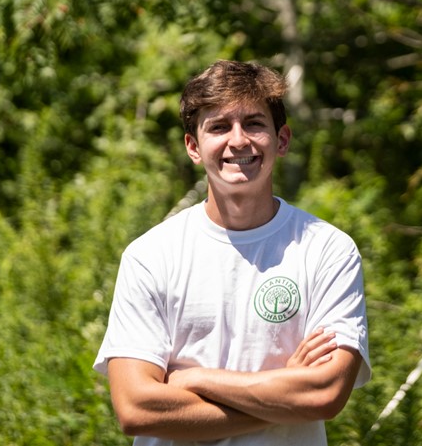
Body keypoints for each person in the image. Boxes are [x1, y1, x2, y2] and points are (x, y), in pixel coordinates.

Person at [93, 60, 371, 446]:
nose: (238, 140)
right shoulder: (150, 256)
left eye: (254, 123)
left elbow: (324, 395)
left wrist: (195, 380)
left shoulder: (327, 251)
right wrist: (283, 393)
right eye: (219, 127)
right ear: (193, 146)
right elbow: (136, 408)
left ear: (283, 139)